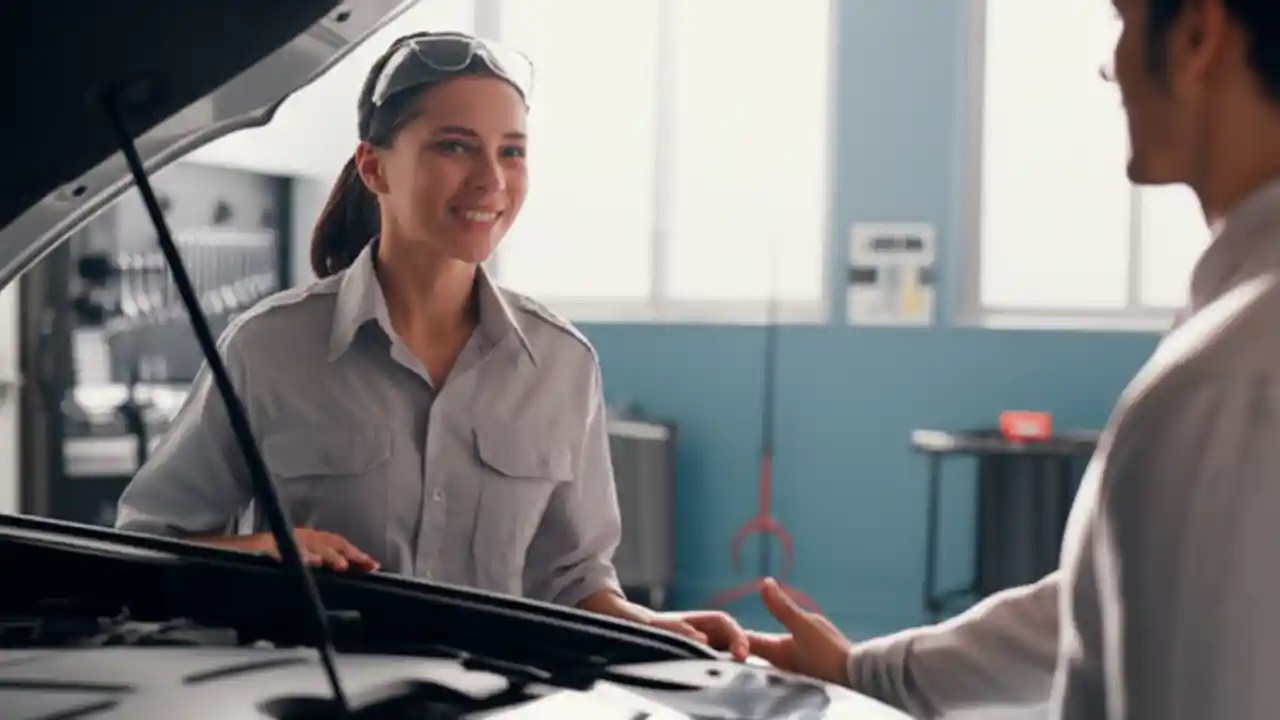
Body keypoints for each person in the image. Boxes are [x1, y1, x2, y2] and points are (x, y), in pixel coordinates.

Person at [114, 30, 748, 659]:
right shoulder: (266, 349)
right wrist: (258, 552)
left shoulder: (562, 364)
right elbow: (145, 545)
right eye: (454, 146)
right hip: (314, 697)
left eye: (512, 152)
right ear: (374, 167)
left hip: (501, 698)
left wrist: (650, 626)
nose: (491, 179)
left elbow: (573, 580)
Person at [746, 0, 1280, 717]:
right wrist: (861, 670)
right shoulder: (1235, 342)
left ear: (1195, 37)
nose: (1110, 68)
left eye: (1121, 22)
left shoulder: (1229, 385)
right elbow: (1101, 600)